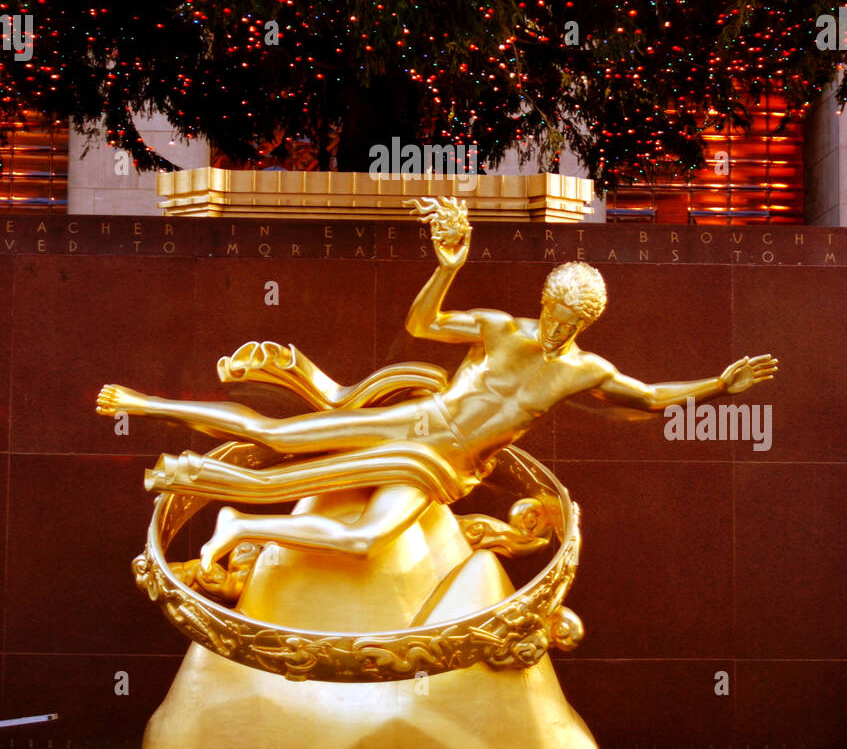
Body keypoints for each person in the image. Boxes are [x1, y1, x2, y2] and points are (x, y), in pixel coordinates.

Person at [97, 198, 777, 571]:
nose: (556, 325)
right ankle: (144, 402)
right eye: (553, 310)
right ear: (542, 302)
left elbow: (650, 399)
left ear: (585, 321)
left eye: (573, 319)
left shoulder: (584, 371)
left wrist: (718, 384)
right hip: (417, 424)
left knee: (366, 541)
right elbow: (422, 322)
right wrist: (448, 264)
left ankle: (239, 520)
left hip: (444, 469)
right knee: (279, 434)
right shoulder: (500, 328)